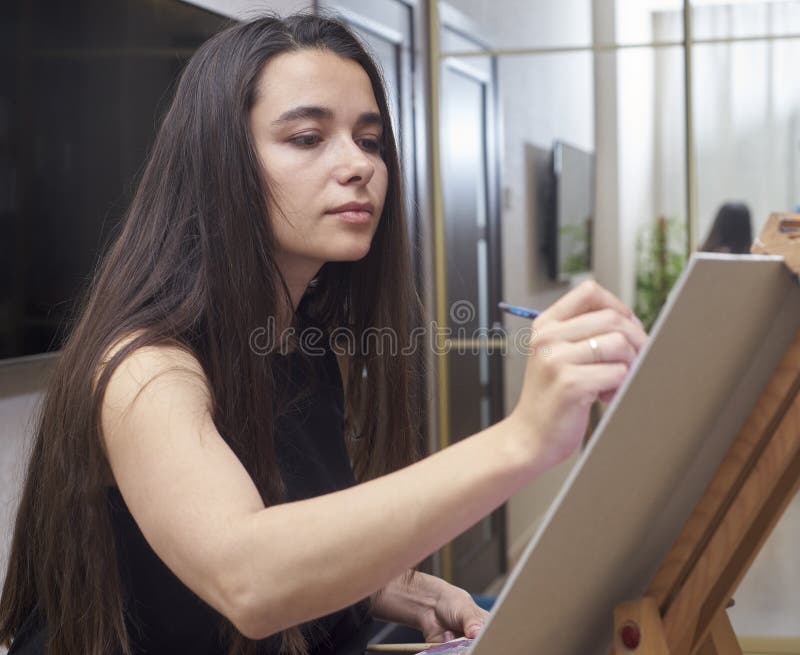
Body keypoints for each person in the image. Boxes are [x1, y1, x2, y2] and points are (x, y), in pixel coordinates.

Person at [0, 13, 647, 655]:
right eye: (308, 137)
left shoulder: (306, 348)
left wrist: (397, 586)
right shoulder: (145, 368)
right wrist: (524, 437)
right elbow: (248, 577)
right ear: (219, 162)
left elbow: (293, 531)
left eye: (369, 141)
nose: (357, 164)